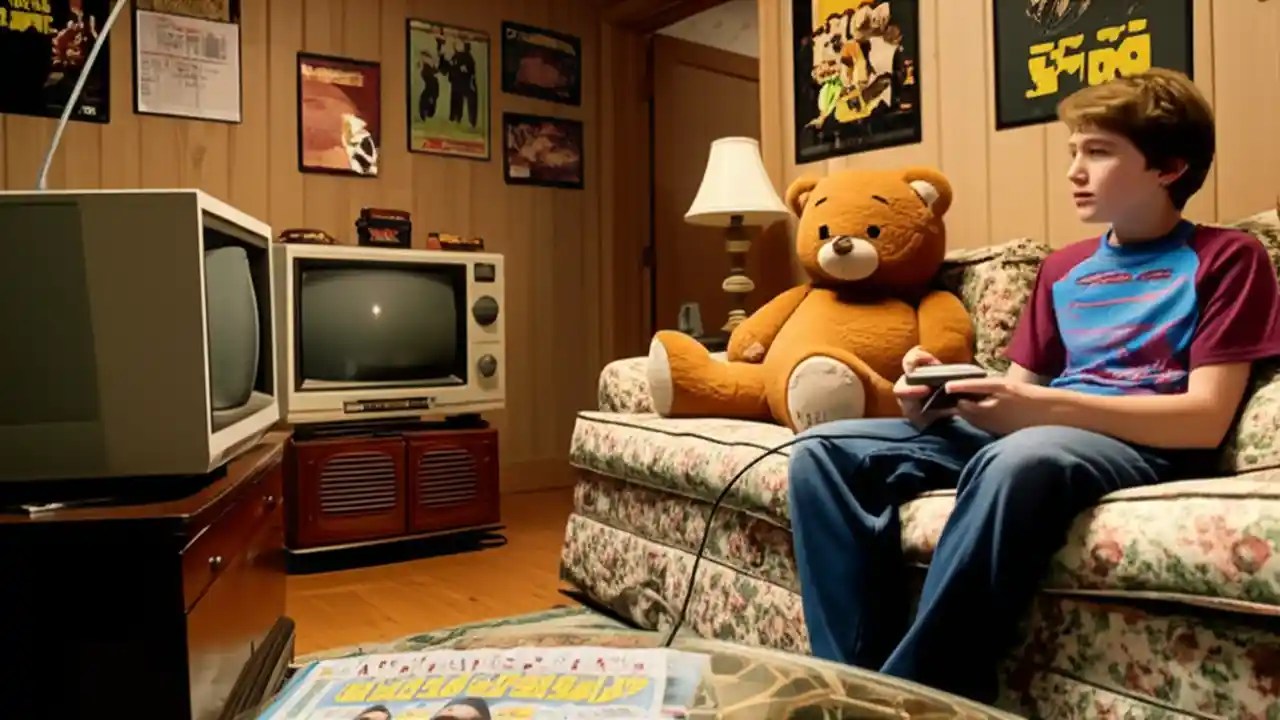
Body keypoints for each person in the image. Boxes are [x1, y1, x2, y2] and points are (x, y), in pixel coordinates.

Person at [786, 67, 1280, 704]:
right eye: (1073, 150)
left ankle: (915, 697)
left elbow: (1204, 420)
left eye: (1098, 152)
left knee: (1021, 457)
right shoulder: (1062, 268)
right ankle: (850, 685)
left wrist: (1034, 408)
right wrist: (948, 399)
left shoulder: (1228, 258)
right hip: (1040, 430)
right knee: (824, 454)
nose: (1075, 169)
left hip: (1135, 442)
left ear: (1169, 168)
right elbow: (1017, 388)